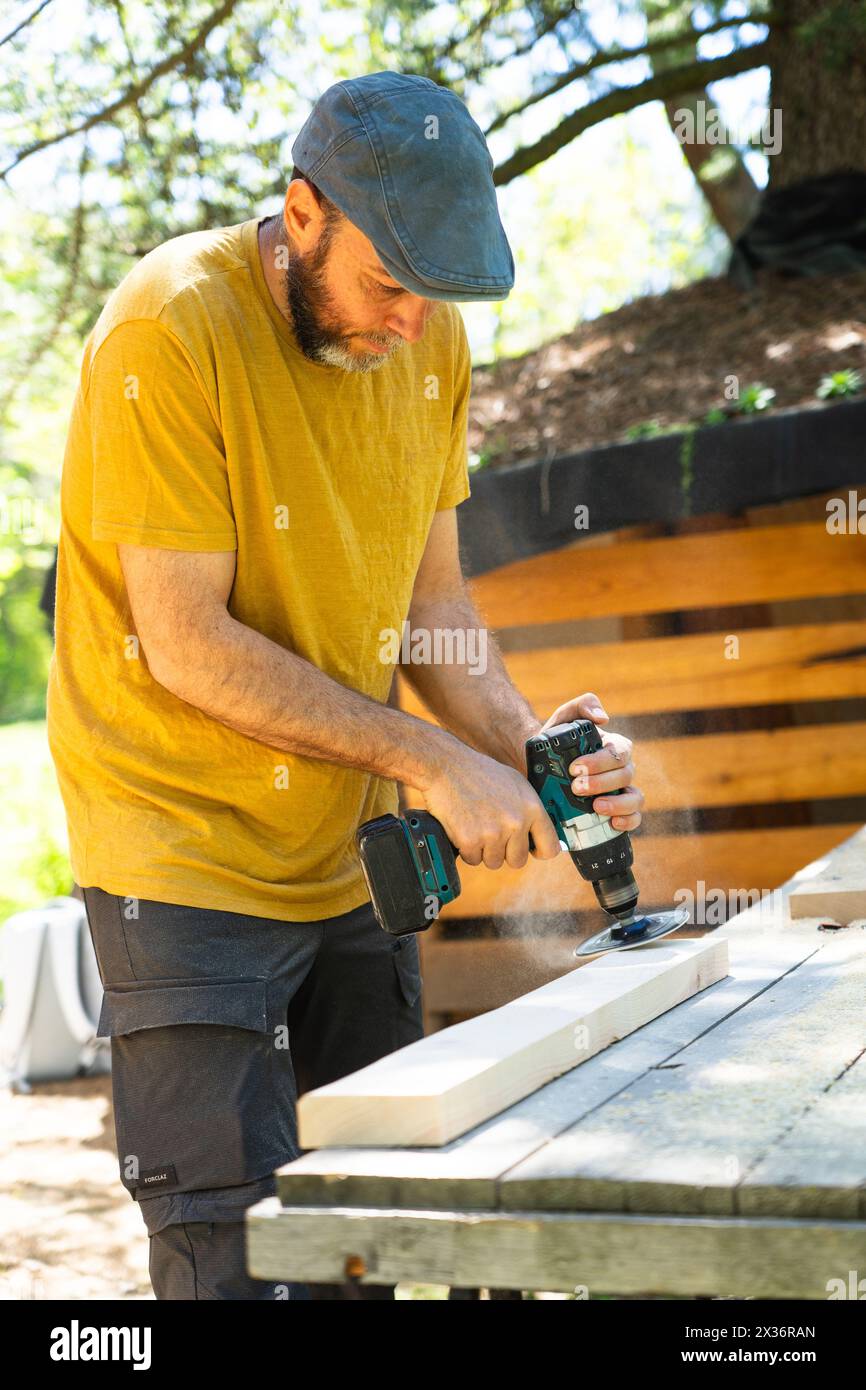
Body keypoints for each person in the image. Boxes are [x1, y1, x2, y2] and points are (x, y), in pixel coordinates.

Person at [47, 70, 643, 1300]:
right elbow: (186, 642)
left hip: (349, 858)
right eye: (387, 286)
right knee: (237, 1258)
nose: (409, 324)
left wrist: (537, 754)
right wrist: (430, 761)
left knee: (362, 1232)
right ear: (301, 211)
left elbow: (434, 614)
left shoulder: (427, 343)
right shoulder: (171, 329)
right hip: (184, 867)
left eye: (432, 298)